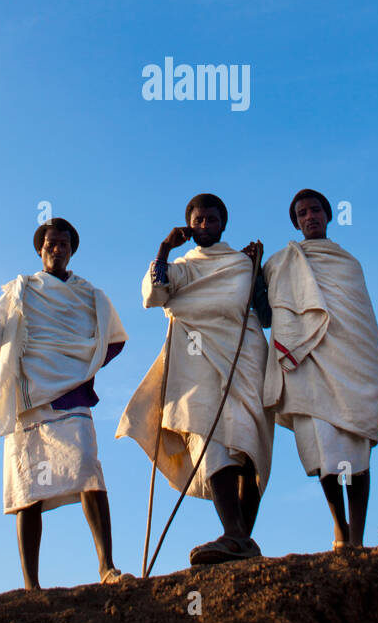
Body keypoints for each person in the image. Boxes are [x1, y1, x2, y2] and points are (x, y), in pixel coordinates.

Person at [0, 217, 129, 587]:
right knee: (27, 492)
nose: (56, 249)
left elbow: (115, 340)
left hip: (70, 397)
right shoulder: (20, 293)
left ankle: (106, 567)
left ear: (72, 249)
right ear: (40, 249)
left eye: (63, 244)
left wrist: (77, 366)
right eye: (50, 244)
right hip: (26, 400)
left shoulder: (90, 295)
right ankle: (31, 585)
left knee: (88, 472)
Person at [116, 193, 273, 564]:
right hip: (197, 359)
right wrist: (164, 248)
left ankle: (240, 539)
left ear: (223, 223)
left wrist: (257, 268)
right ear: (189, 224)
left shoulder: (242, 262)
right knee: (208, 436)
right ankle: (234, 535)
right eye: (198, 220)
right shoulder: (183, 266)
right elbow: (154, 294)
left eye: (212, 219)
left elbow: (263, 313)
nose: (205, 225)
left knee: (249, 444)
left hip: (244, 357)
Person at [261, 190, 378, 550]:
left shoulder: (348, 264)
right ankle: (339, 528)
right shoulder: (283, 261)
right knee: (323, 447)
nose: (309, 217)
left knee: (355, 445)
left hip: (351, 359)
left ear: (328, 216)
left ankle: (358, 537)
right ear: (296, 222)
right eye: (302, 213)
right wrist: (252, 268)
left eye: (315, 210)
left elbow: (359, 320)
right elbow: (263, 311)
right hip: (307, 362)